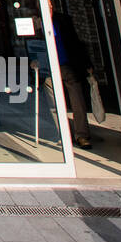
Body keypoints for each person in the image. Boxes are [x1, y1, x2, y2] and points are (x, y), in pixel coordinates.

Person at [50, 11, 93, 149]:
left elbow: (75, 41)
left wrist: (86, 63)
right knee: (53, 102)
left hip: (68, 64)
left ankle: (81, 134)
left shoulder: (62, 20)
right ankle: (62, 133)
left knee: (77, 99)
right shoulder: (36, 21)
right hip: (49, 65)